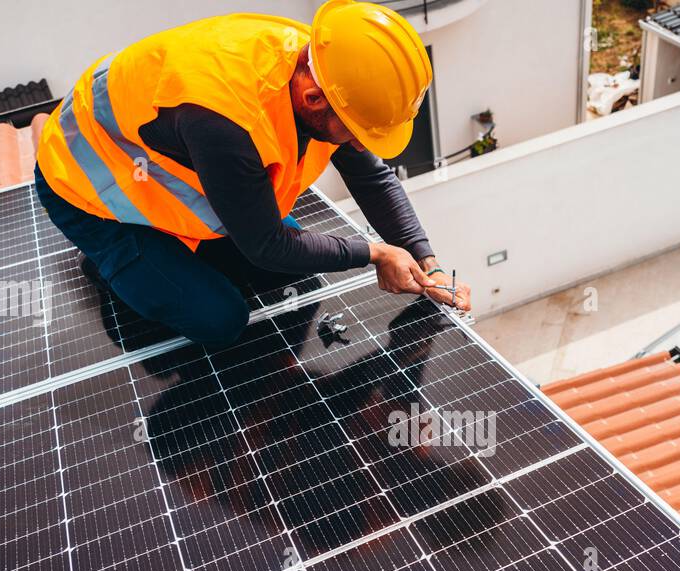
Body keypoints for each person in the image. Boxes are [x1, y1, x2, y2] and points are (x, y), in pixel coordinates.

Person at [33, 0, 472, 351]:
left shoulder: (327, 63)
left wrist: (424, 260)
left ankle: (179, 259)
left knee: (294, 273)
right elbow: (266, 245)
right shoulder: (225, 119)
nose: (360, 144)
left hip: (161, 173)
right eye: (358, 132)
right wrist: (376, 255)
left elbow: (372, 178)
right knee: (220, 320)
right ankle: (108, 264)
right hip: (90, 191)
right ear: (315, 99)